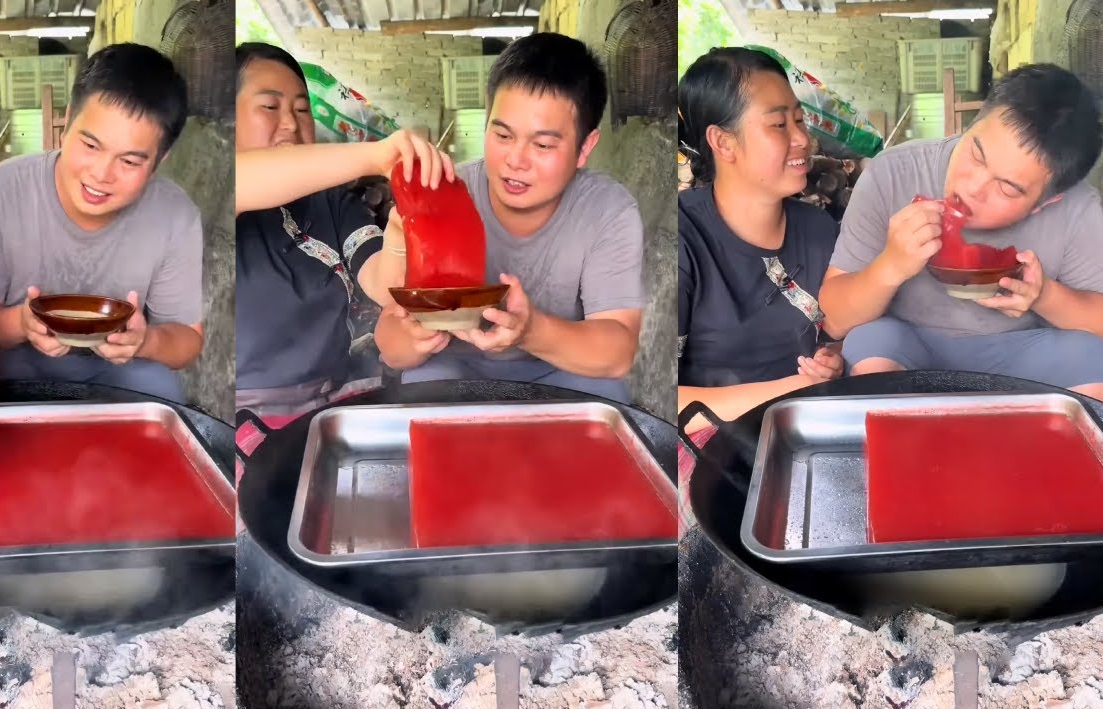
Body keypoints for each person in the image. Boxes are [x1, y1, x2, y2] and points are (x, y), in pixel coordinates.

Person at [373, 32, 645, 404]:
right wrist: (413, 342)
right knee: (422, 387)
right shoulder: (444, 191)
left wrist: (531, 331)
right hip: (455, 368)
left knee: (609, 397)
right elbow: (391, 341)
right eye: (502, 134)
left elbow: (617, 353)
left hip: (560, 370)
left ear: (585, 147)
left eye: (543, 145)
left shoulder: (608, 211)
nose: (516, 160)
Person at [818, 63, 1103, 399]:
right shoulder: (891, 173)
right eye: (975, 153)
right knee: (871, 343)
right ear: (972, 124)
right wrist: (890, 266)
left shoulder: (1079, 207)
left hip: (1023, 349)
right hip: (911, 340)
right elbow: (834, 320)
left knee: (1090, 358)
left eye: (1008, 189)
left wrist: (1043, 296)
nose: (973, 187)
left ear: (1046, 201)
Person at [0, 43, 203, 403]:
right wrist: (22, 324)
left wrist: (144, 340)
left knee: (161, 387)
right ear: (67, 121)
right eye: (90, 145)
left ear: (160, 159)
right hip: (14, 364)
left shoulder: (175, 215)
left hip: (120, 371)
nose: (102, 174)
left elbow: (188, 340)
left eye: (130, 162)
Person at [234, 42, 452, 435]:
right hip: (245, 418)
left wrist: (404, 227)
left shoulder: (330, 201)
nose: (290, 123)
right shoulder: (218, 192)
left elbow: (382, 284)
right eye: (270, 107)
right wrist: (377, 156)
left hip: (336, 404)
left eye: (302, 110)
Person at [676, 47, 843, 434]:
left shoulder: (820, 229)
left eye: (799, 120)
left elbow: (842, 335)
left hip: (809, 433)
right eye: (780, 125)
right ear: (723, 142)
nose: (802, 138)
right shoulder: (679, 239)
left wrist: (832, 360)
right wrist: (795, 391)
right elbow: (658, 401)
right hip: (711, 452)